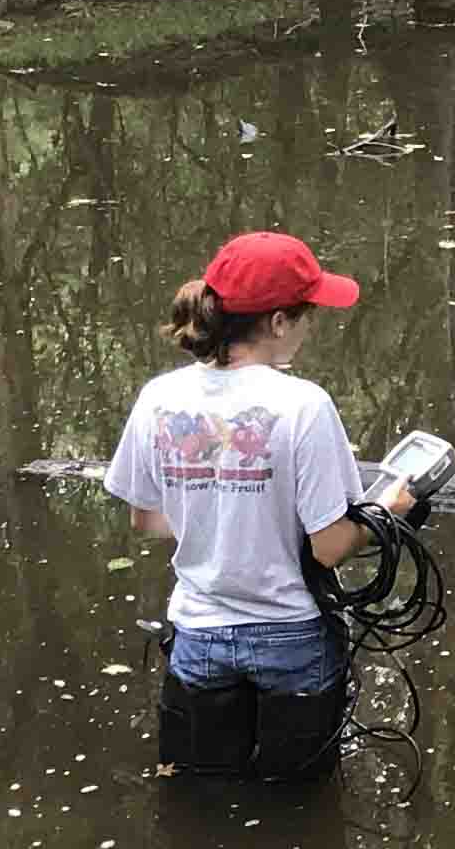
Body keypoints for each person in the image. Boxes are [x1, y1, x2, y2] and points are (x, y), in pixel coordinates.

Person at [106, 230, 371, 782]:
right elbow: (330, 547)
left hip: (199, 634)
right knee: (297, 808)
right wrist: (393, 509)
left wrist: (218, 510)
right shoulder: (304, 405)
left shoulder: (159, 397)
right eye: (307, 314)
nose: (310, 326)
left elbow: (147, 521)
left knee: (200, 801)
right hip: (292, 635)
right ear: (278, 323)